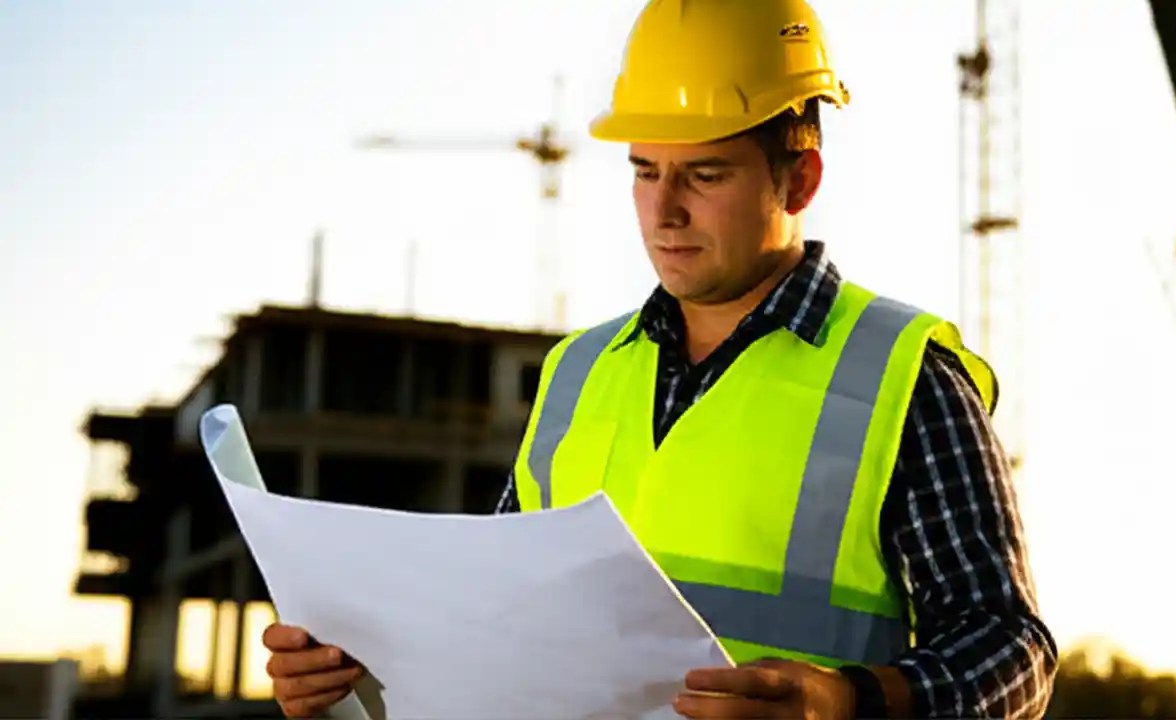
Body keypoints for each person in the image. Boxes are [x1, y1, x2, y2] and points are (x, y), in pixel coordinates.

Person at [261, 0, 1058, 717]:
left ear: (800, 177)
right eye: (645, 172)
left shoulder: (901, 376)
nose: (664, 210)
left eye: (705, 174)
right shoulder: (577, 373)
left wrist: (844, 703)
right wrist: (356, 680)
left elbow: (1012, 648)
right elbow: (494, 625)